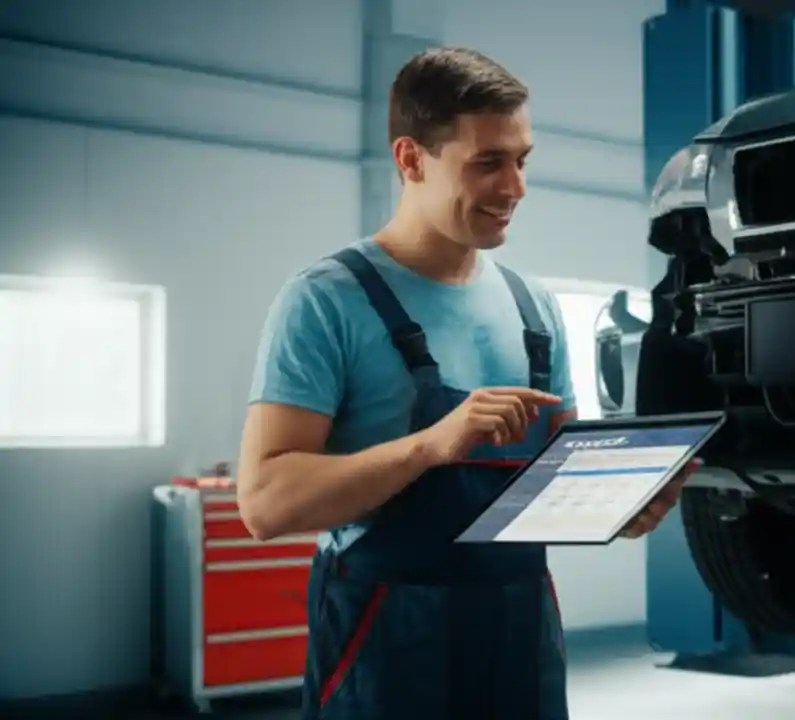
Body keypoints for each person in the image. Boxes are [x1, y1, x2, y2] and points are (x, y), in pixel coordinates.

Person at [235, 47, 693, 719]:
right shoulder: (325, 302)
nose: (515, 188)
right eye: (487, 162)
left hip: (520, 639)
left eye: (522, 159)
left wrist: (625, 506)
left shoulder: (533, 309)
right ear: (411, 159)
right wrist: (429, 446)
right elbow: (265, 504)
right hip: (387, 650)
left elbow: (556, 486)